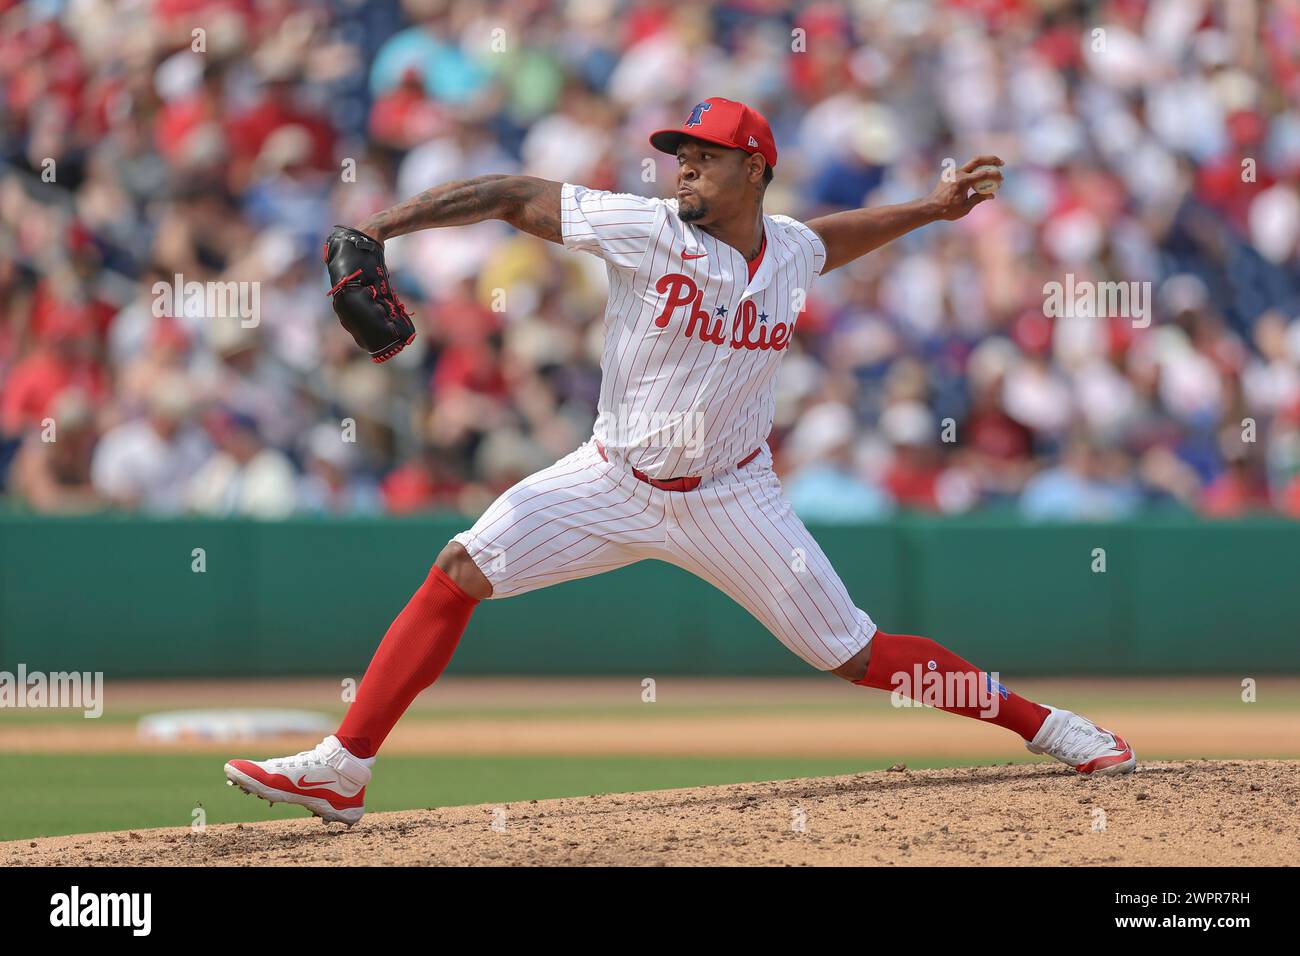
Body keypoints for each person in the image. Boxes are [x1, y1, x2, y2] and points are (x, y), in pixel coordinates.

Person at [225, 98, 1135, 826]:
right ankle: (345, 767)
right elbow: (511, 192)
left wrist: (932, 212)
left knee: (855, 654)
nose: (684, 166)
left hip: (735, 496)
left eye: (704, 153)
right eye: (678, 153)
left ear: (756, 169)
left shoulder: (792, 251)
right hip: (610, 478)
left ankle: (1049, 726)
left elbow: (834, 239)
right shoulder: (645, 228)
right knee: (459, 567)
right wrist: (378, 226)